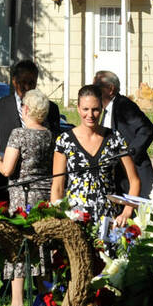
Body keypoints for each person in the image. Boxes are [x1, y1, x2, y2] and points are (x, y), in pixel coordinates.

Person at [0, 88, 56, 306]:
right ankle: (45, 295)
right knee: (41, 243)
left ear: (26, 109)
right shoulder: (49, 135)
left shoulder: (18, 134)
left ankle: (17, 301)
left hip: (22, 194)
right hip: (44, 194)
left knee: (19, 244)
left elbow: (9, 169)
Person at [52, 84, 141, 229]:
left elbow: (135, 180)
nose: (90, 115)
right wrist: (59, 221)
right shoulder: (64, 141)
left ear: (102, 109)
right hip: (75, 220)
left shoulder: (114, 138)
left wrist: (126, 212)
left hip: (109, 221)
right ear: (78, 109)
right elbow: (57, 187)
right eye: (85, 109)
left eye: (95, 109)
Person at [0, 59, 61, 199]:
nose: (27, 86)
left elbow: (55, 143)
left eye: (31, 83)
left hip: (41, 185)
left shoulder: (50, 108)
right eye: (23, 82)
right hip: (5, 182)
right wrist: (2, 161)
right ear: (14, 81)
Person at [93, 70, 153, 195]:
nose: (94, 92)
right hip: (116, 175)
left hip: (133, 173)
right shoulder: (104, 110)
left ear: (110, 89)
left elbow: (147, 130)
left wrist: (128, 156)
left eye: (96, 87)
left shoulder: (124, 106)